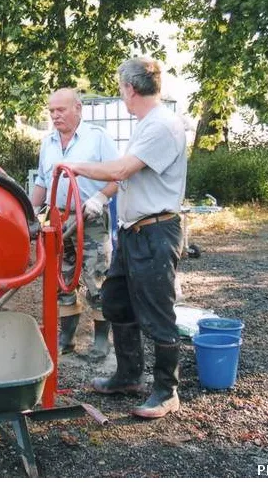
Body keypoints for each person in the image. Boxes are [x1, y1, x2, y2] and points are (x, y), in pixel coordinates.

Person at [57, 57, 187, 419]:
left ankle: (166, 391)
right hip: (132, 232)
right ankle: (128, 375)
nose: (122, 96)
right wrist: (101, 198)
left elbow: (121, 170)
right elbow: (127, 178)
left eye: (121, 89)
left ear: (130, 88)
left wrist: (74, 167)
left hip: (156, 232)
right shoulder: (146, 124)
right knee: (115, 300)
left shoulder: (162, 125)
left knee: (158, 312)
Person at [31, 88, 119, 362]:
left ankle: (102, 340)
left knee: (97, 278)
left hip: (89, 217)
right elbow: (43, 183)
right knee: (62, 280)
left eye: (61, 110)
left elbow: (118, 176)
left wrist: (100, 197)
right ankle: (65, 339)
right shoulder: (48, 143)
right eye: (51, 111)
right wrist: (34, 212)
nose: (55, 116)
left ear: (78, 108)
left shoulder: (97, 138)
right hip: (57, 220)